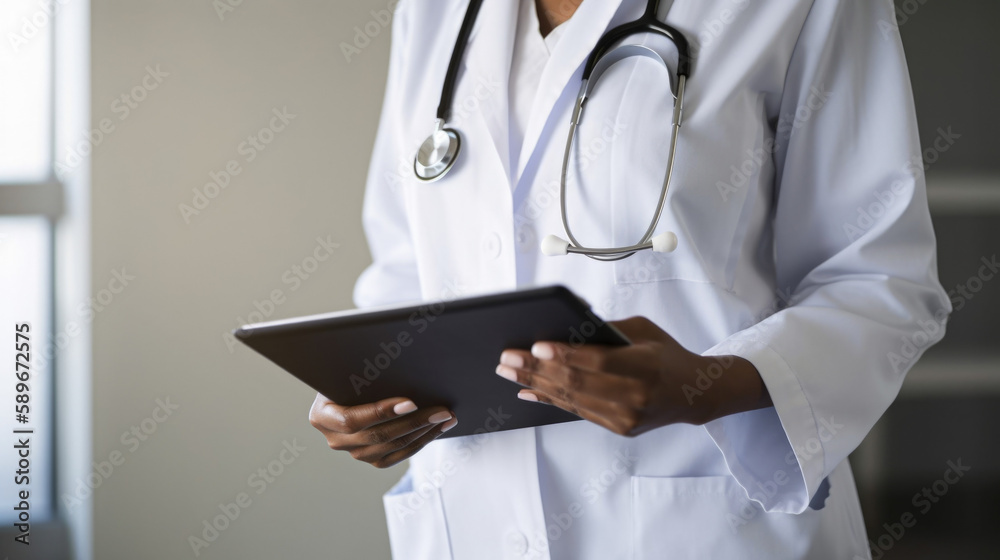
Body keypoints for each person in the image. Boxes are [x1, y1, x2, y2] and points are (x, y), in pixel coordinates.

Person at [309, 0, 950, 558]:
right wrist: (371, 391)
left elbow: (881, 281)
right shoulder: (433, 13)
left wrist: (706, 387)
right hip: (473, 512)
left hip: (703, 520)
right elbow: (404, 269)